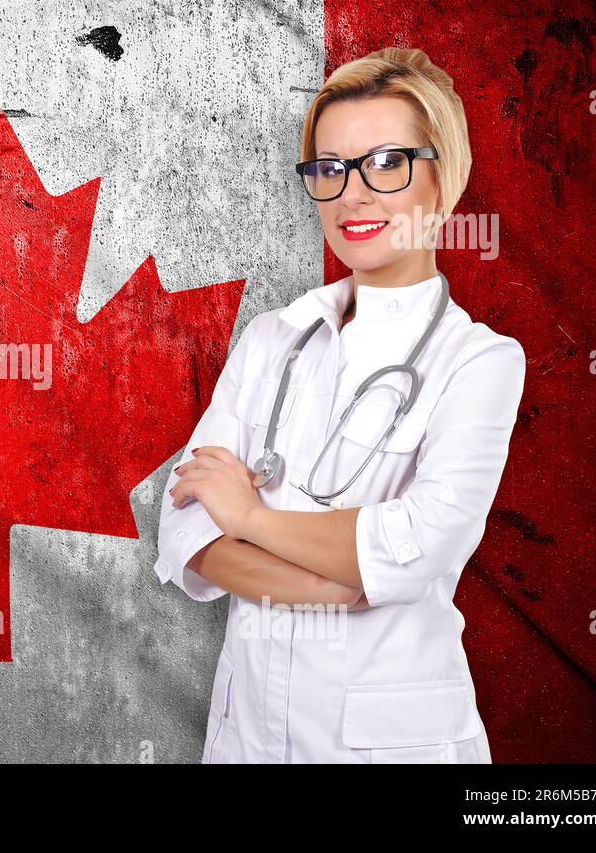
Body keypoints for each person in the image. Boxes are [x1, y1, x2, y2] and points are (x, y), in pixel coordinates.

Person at [155, 47, 526, 763]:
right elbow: (182, 531)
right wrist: (323, 584)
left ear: (442, 179)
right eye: (330, 169)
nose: (353, 195)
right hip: (247, 737)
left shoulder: (478, 362)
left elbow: (415, 545)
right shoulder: (273, 339)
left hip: (390, 744)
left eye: (385, 162)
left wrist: (252, 518)